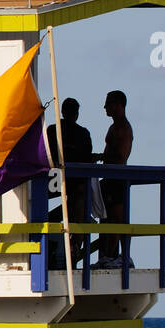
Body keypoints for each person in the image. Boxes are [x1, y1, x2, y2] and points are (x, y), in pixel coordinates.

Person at [46, 98, 95, 268]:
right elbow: (87, 159)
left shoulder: (52, 131)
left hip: (52, 180)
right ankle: (75, 245)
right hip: (72, 183)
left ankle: (67, 239)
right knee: (78, 203)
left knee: (73, 203)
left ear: (63, 112)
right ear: (76, 114)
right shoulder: (82, 134)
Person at [93, 90, 133, 267]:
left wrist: (104, 159)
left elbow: (121, 157)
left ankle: (120, 256)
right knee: (106, 218)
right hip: (109, 178)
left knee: (117, 218)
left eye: (108, 103)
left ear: (118, 105)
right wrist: (100, 157)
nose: (104, 107)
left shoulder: (123, 128)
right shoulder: (114, 127)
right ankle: (108, 255)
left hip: (117, 178)